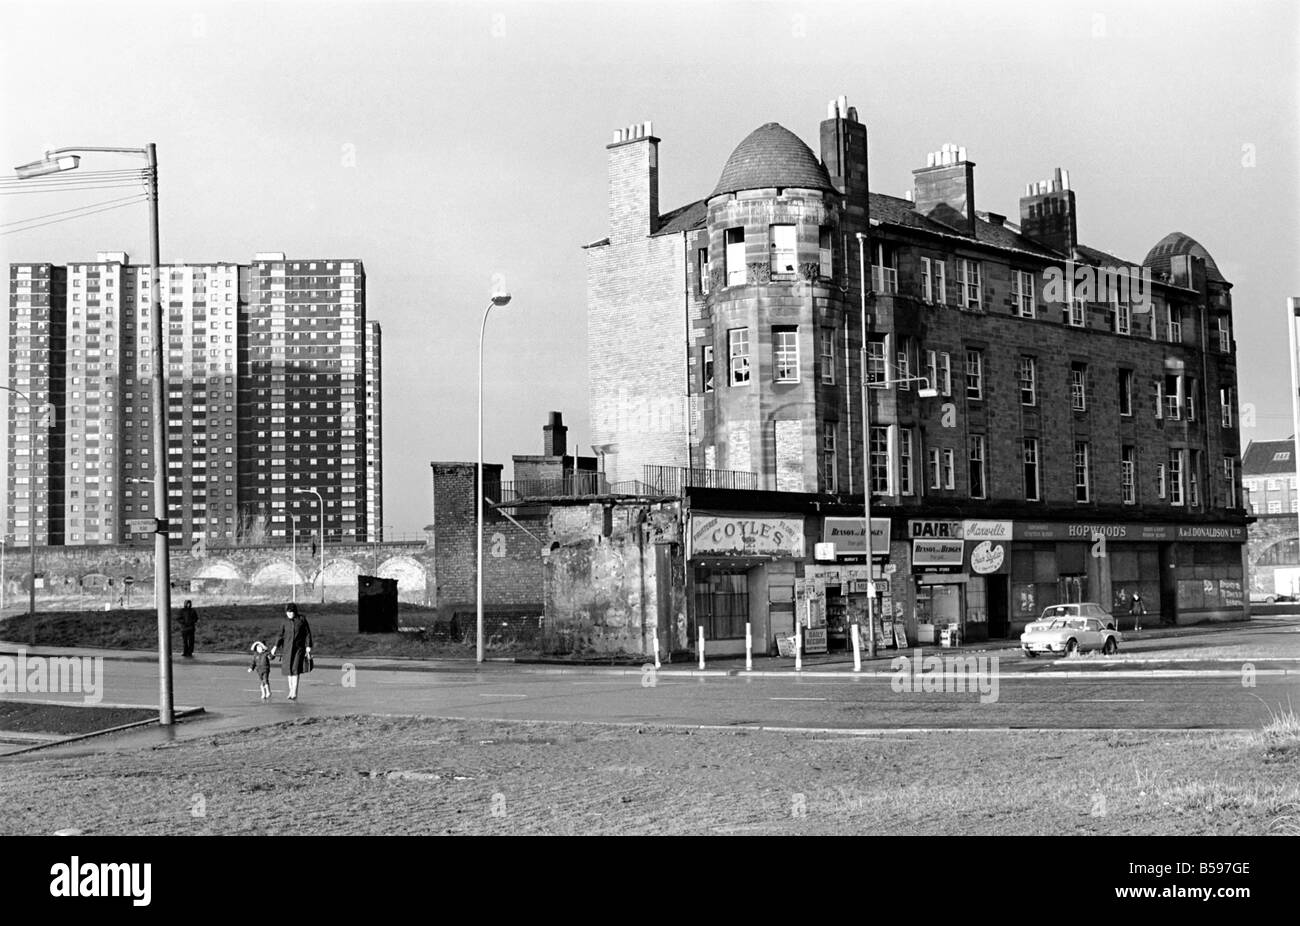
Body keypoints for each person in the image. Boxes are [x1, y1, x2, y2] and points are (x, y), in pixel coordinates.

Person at [271, 602, 313, 701]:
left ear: (295, 612)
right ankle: (291, 690)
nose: (289, 614)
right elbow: (280, 635)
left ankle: (294, 691)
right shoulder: (284, 622)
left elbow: (307, 633)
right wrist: (274, 647)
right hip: (286, 650)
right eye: (288, 612)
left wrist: (308, 646)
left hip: (298, 649)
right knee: (288, 671)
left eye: (291, 612)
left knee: (295, 670)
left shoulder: (302, 620)